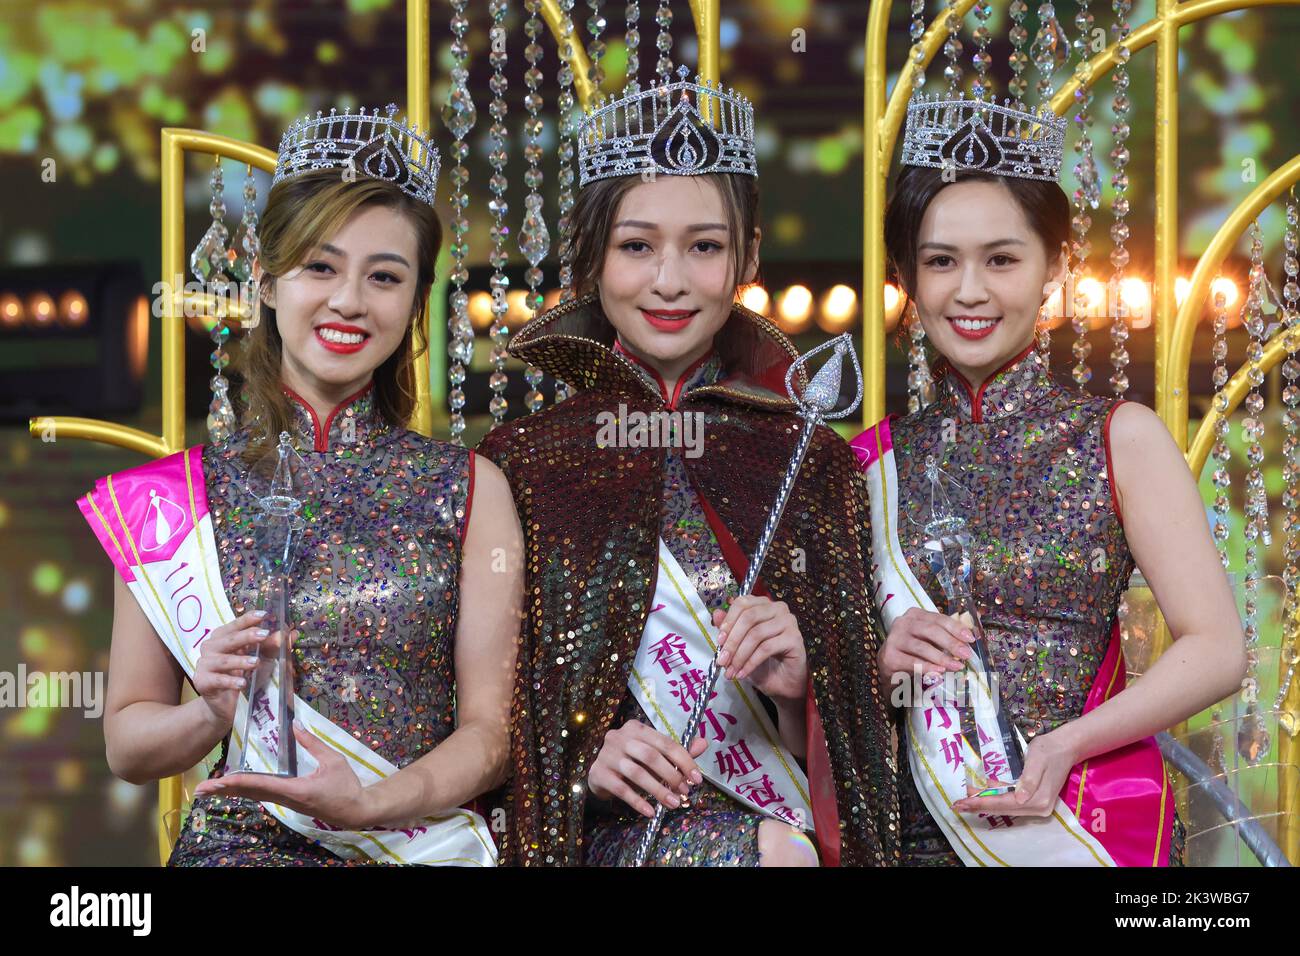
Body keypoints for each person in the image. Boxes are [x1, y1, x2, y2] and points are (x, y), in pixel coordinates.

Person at [477, 69, 900, 867]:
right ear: (593, 259)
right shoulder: (520, 463)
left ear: (748, 255)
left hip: (777, 828)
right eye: (636, 247)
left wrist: (802, 681)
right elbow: (475, 709)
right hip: (595, 838)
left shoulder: (813, 462)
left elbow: (873, 748)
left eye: (704, 247)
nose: (669, 281)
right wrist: (581, 757)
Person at [80, 105, 522, 866]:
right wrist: (211, 713)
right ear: (266, 282)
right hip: (244, 847)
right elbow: (127, 741)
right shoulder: (176, 500)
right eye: (320, 267)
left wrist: (371, 803)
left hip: (420, 840)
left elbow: (493, 733)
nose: (349, 300)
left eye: (384, 277)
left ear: (413, 305)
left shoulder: (470, 488)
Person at [852, 91, 1246, 865]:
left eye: (1001, 259)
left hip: (1085, 821)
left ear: (1054, 270)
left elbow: (1218, 649)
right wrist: (878, 660)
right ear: (906, 276)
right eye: (940, 262)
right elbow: (813, 690)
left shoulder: (1117, 436)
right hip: (913, 829)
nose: (969, 291)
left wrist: (1065, 746)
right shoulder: (868, 460)